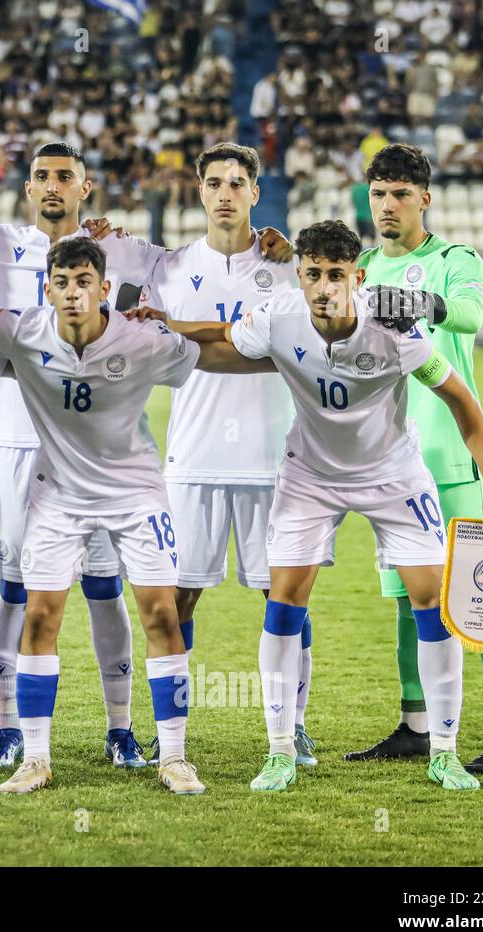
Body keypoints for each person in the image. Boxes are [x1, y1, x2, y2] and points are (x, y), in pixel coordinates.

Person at [0, 141, 292, 770]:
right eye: (42, 177)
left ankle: (122, 729)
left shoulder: (125, 248)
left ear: (87, 188)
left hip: (108, 450)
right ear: (27, 188)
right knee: (19, 588)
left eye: (66, 178)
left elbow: (200, 263)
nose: (53, 187)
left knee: (107, 586)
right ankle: (10, 730)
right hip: (20, 437)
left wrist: (276, 245)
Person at [171, 219, 483, 792]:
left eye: (336, 275)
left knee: (432, 599)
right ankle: (281, 750)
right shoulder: (278, 316)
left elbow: (461, 400)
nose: (324, 286)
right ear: (298, 275)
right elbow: (218, 340)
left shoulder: (395, 329)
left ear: (358, 277)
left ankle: (445, 751)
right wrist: (155, 325)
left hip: (393, 475)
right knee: (284, 599)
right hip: (310, 475)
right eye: (312, 274)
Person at [351, 144, 483, 775]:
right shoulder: (362, 265)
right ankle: (415, 725)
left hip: (452, 461)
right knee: (410, 598)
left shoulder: (455, 260)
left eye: (400, 193)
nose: (388, 205)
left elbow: (474, 317)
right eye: (378, 193)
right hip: (388, 468)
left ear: (424, 198)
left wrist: (419, 304)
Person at [140, 142, 315, 767]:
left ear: (255, 193)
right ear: (198, 190)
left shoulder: (291, 269)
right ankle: (170, 732)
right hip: (192, 456)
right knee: (177, 596)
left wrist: (290, 254)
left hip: (276, 460)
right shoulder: (168, 269)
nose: (224, 193)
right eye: (213, 182)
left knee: (287, 597)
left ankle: (293, 726)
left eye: (236, 183)